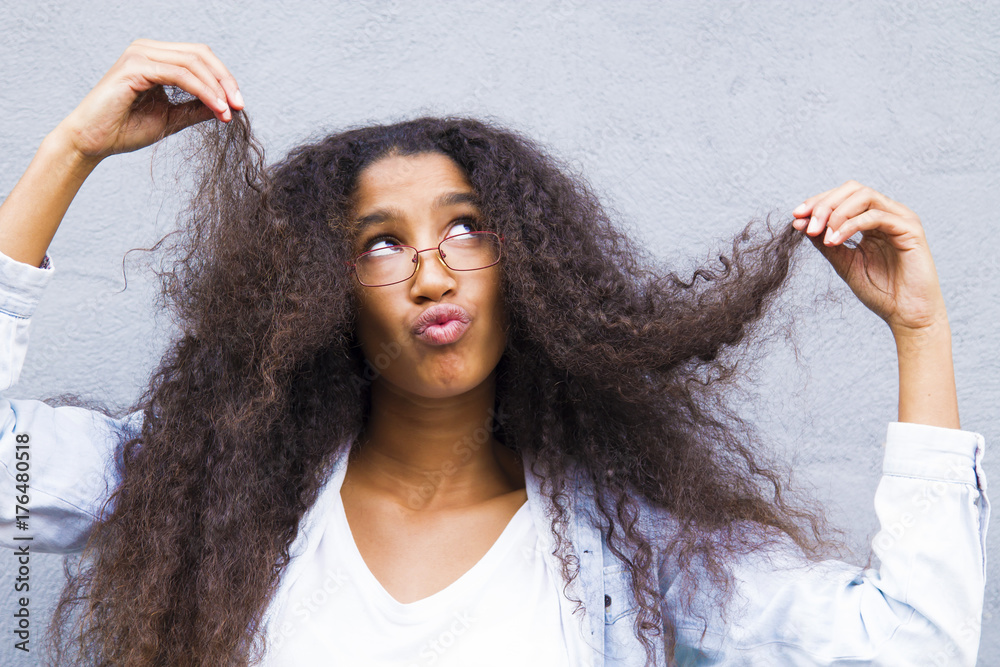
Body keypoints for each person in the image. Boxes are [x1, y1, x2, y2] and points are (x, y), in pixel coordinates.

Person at [0, 39, 987, 667]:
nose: (431, 274)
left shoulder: (629, 551)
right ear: (321, 293)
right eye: (381, 243)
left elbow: (911, 646)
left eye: (466, 228)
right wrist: (66, 156)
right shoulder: (208, 495)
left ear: (531, 270)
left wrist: (919, 331)